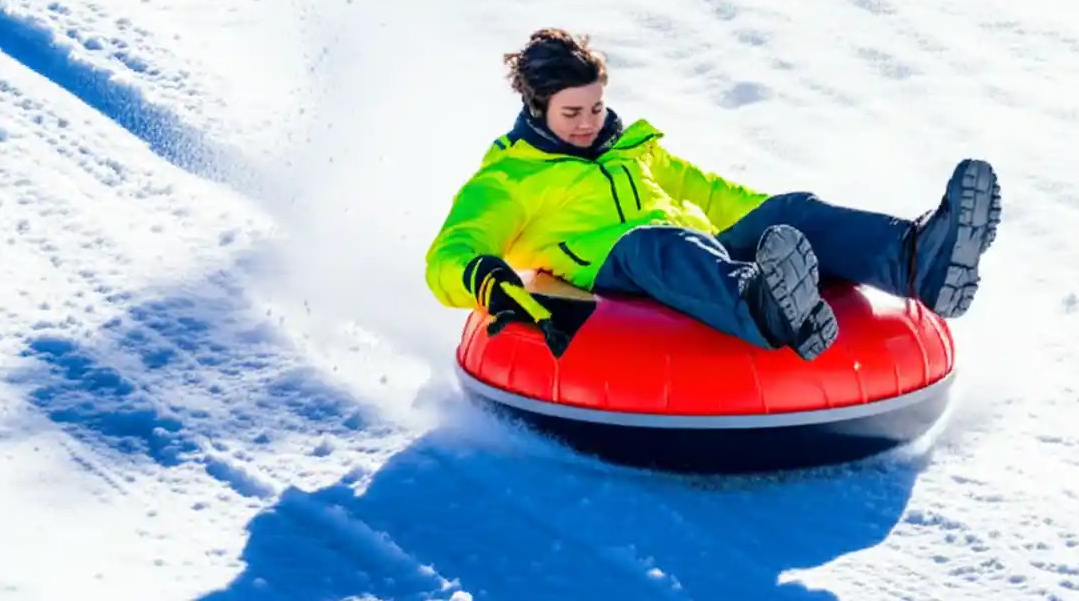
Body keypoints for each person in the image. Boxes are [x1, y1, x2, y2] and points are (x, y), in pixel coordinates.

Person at [425, 28, 1002, 361]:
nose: (588, 122)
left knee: (790, 210)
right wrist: (482, 279)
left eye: (596, 107)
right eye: (571, 112)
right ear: (536, 109)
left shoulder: (632, 148)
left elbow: (715, 194)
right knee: (656, 243)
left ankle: (919, 260)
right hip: (617, 265)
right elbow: (450, 252)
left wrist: (790, 230)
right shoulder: (510, 178)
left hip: (695, 250)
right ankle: (770, 312)